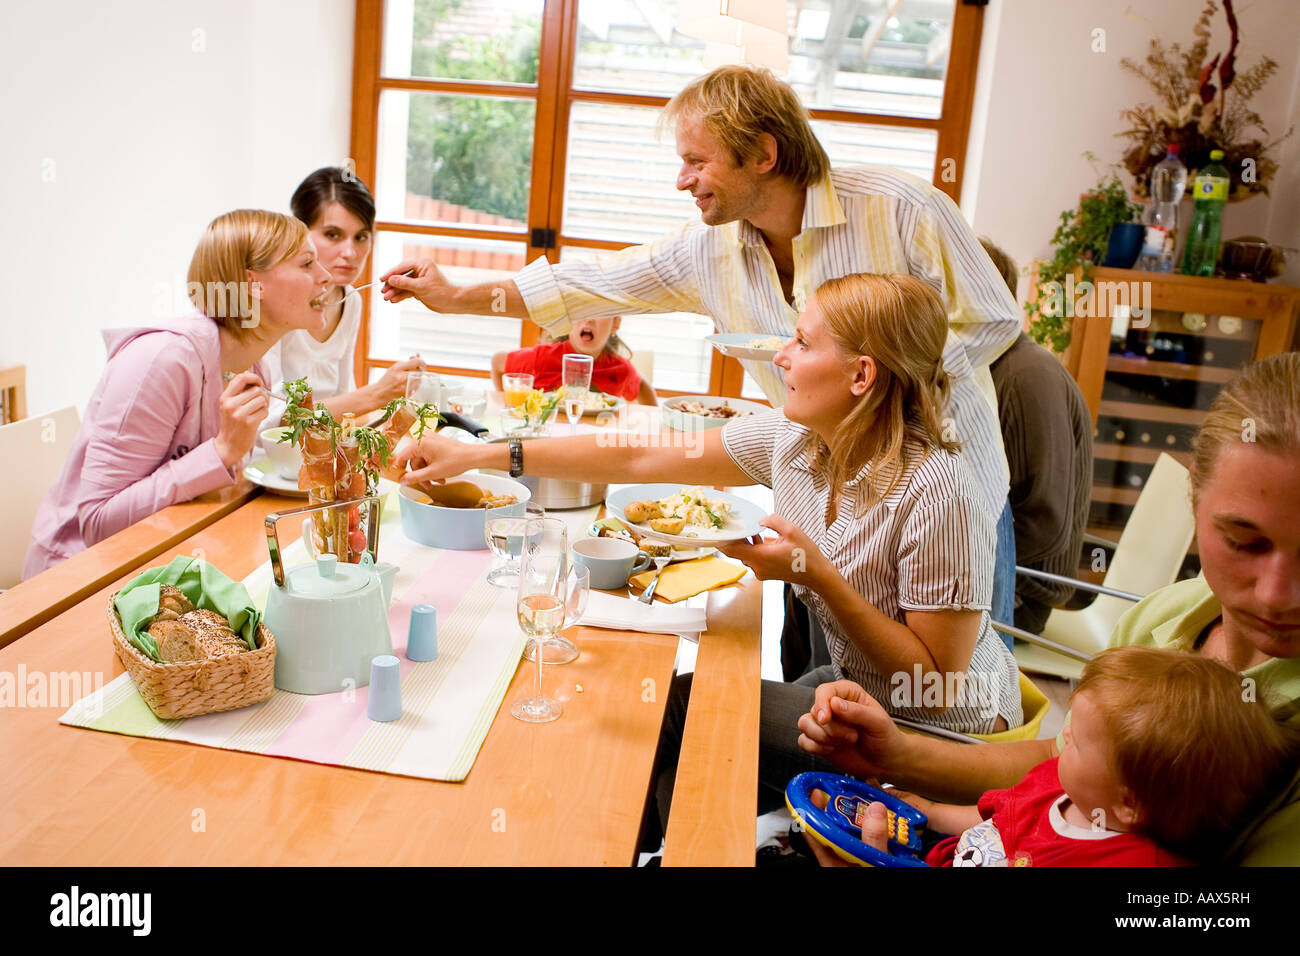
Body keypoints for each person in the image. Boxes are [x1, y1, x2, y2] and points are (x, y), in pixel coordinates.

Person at [377, 65, 1021, 647]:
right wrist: (457, 295)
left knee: (934, 708)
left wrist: (882, 406)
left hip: (942, 505)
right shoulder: (708, 252)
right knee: (824, 698)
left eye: (696, 161)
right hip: (813, 501)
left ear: (763, 154)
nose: (681, 179)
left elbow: (993, 319)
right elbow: (595, 285)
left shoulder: (902, 210)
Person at [393, 272, 1021, 832]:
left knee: (686, 712)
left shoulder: (939, 490)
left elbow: (936, 684)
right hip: (856, 688)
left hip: (940, 735)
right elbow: (639, 450)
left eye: (802, 343)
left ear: (862, 375)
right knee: (707, 723)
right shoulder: (796, 440)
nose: (780, 356)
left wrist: (817, 576)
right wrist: (481, 452)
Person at [797, 352, 1300, 865]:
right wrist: (898, 756)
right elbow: (1061, 761)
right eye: (1243, 541)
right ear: (1193, 495)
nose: (1278, 595)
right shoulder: (1165, 616)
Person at [23, 210, 329, 578]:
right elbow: (98, 522)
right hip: (74, 579)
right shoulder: (160, 361)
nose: (326, 277)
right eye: (307, 264)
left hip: (163, 563)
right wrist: (220, 452)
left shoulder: (255, 368)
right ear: (252, 285)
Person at [811, 646, 1299, 867]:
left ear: (1128, 804)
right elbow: (994, 817)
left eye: (1079, 741)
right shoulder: (1063, 788)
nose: (1062, 739)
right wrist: (928, 811)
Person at [982, 238, 1094, 637]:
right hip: (1005, 572)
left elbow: (1045, 524)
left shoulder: (1025, 378)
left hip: (1025, 593)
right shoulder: (987, 367)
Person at [266, 167, 424, 417]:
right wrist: (378, 393)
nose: (350, 253)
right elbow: (273, 419)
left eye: (361, 237)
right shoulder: (270, 300)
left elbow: (345, 398)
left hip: (323, 448)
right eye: (333, 235)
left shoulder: (349, 301)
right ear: (298, 232)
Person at [489, 315, 656, 405]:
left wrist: (655, 427)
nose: (588, 318)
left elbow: (641, 385)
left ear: (616, 323)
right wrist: (511, 406)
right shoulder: (542, 359)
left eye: (599, 312)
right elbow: (498, 362)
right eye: (580, 310)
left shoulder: (620, 370)